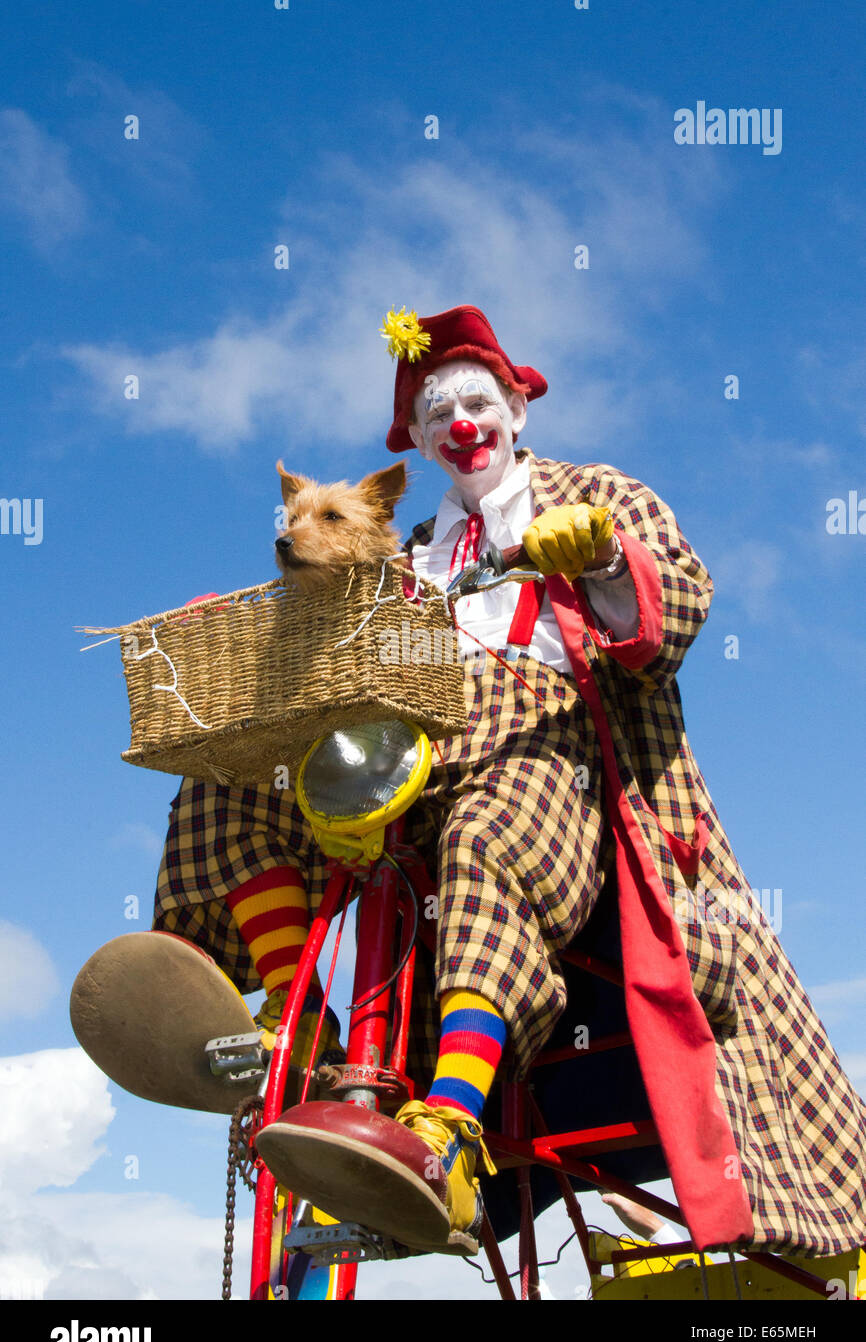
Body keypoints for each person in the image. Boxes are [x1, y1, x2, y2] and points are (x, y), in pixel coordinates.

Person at [154, 304, 866, 1258]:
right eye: (436, 412)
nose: (461, 425)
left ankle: (448, 1129)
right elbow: (336, 670)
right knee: (226, 784)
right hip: (410, 765)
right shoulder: (405, 561)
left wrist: (608, 556)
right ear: (415, 440)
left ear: (516, 410)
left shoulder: (596, 491)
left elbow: (680, 604)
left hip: (557, 758)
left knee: (488, 829)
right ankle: (302, 1031)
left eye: (477, 402)